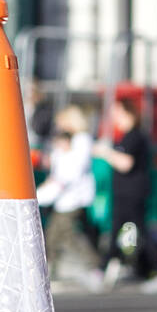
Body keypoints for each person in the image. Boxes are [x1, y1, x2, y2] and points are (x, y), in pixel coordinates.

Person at [93, 97, 157, 292]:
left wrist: (105, 153)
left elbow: (125, 163)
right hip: (126, 193)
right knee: (120, 232)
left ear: (127, 113)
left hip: (132, 193)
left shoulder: (134, 137)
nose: (114, 118)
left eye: (117, 113)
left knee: (138, 232)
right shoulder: (128, 137)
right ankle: (104, 269)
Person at [36, 106, 101, 287]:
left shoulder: (80, 140)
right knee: (55, 234)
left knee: (66, 233)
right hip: (63, 197)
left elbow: (74, 169)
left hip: (74, 196)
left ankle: (92, 266)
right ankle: (50, 270)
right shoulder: (67, 141)